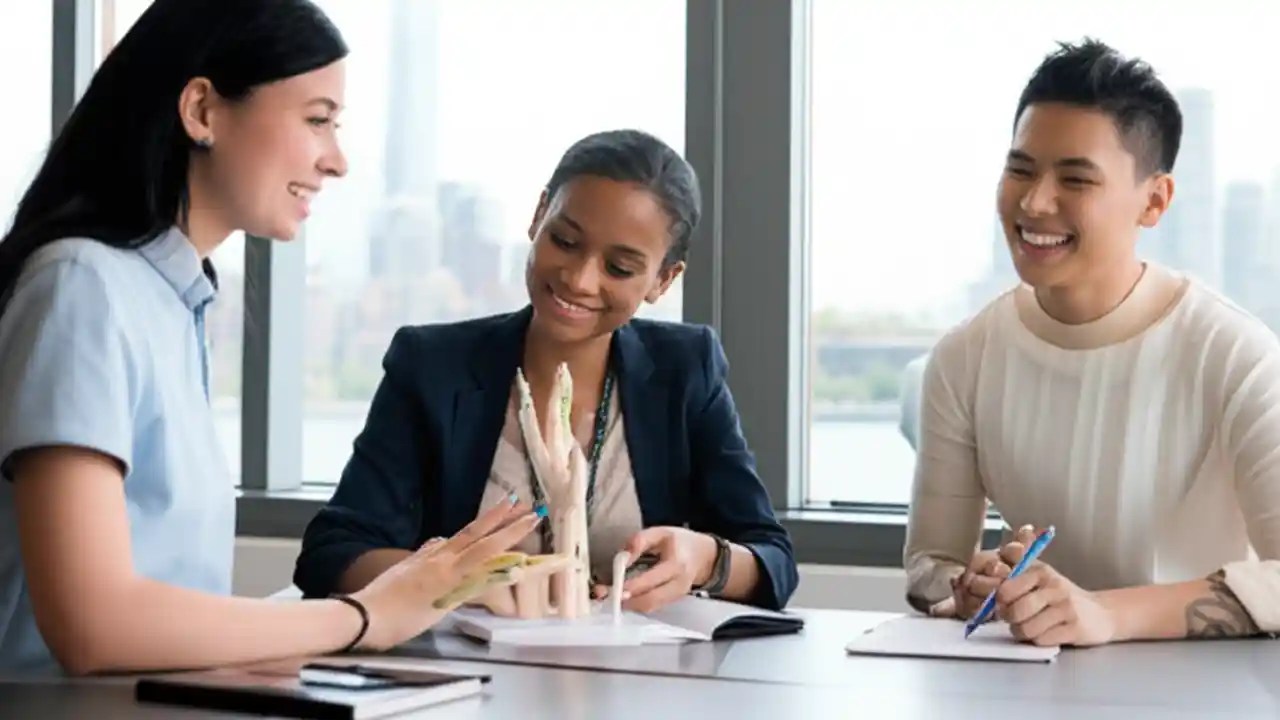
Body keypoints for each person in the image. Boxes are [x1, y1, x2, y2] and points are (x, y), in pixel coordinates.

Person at [0, 0, 539, 676]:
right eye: (317, 120)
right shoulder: (82, 286)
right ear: (201, 111)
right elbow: (93, 624)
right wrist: (365, 616)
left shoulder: (169, 301)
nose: (336, 160)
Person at [295, 129, 798, 616]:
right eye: (565, 240)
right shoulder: (433, 366)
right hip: (467, 687)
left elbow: (772, 563)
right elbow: (330, 554)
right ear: (539, 217)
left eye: (620, 269)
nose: (579, 279)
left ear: (663, 280)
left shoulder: (685, 369)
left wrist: (705, 560)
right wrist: (462, 580)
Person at [904, 39, 1280, 646]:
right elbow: (928, 568)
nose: (1033, 202)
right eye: (1020, 169)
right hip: (1026, 692)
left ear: (1154, 201)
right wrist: (973, 585)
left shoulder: (1236, 354)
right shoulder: (964, 357)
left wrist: (1105, 614)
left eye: (1074, 179)